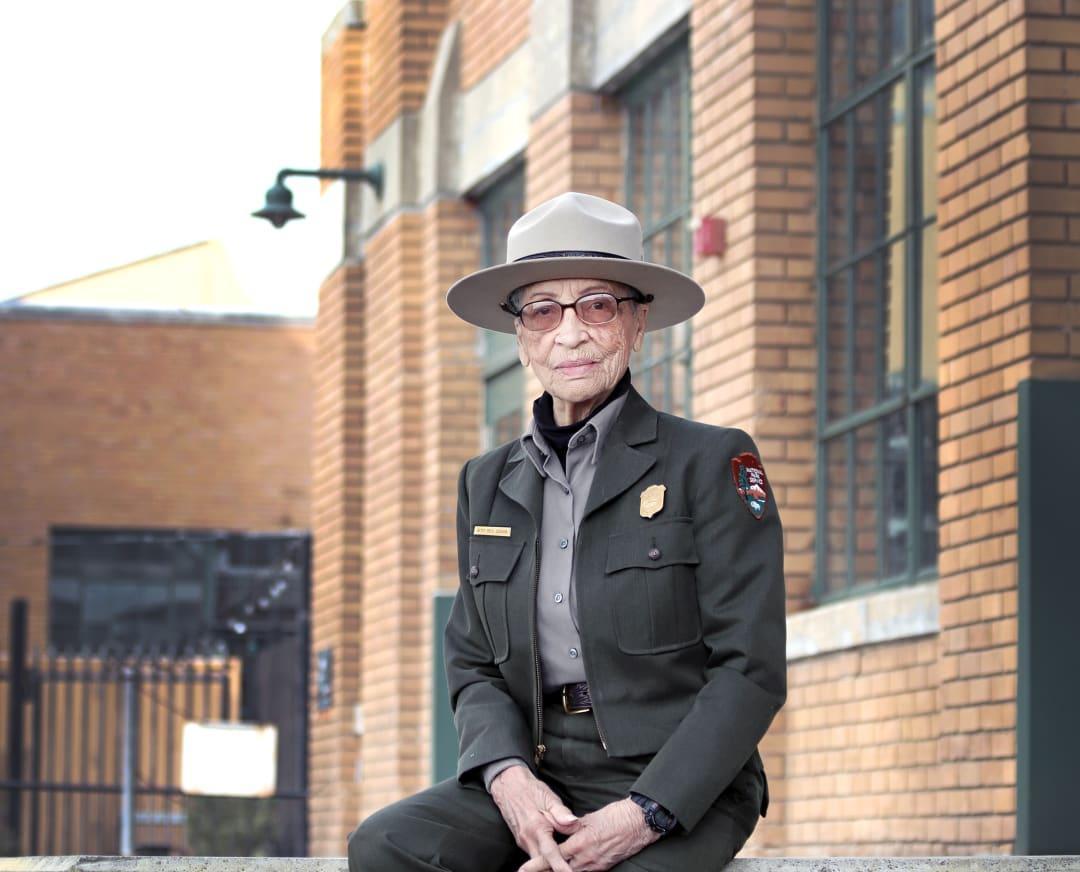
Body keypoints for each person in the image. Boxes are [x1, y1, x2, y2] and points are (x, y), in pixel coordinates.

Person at [347, 191, 787, 872]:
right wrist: (507, 776)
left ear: (637, 325)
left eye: (598, 306)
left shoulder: (711, 461)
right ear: (521, 334)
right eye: (544, 310)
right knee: (387, 847)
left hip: (680, 782)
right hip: (544, 774)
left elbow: (750, 669)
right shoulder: (485, 481)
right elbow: (472, 663)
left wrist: (645, 812)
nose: (571, 333)